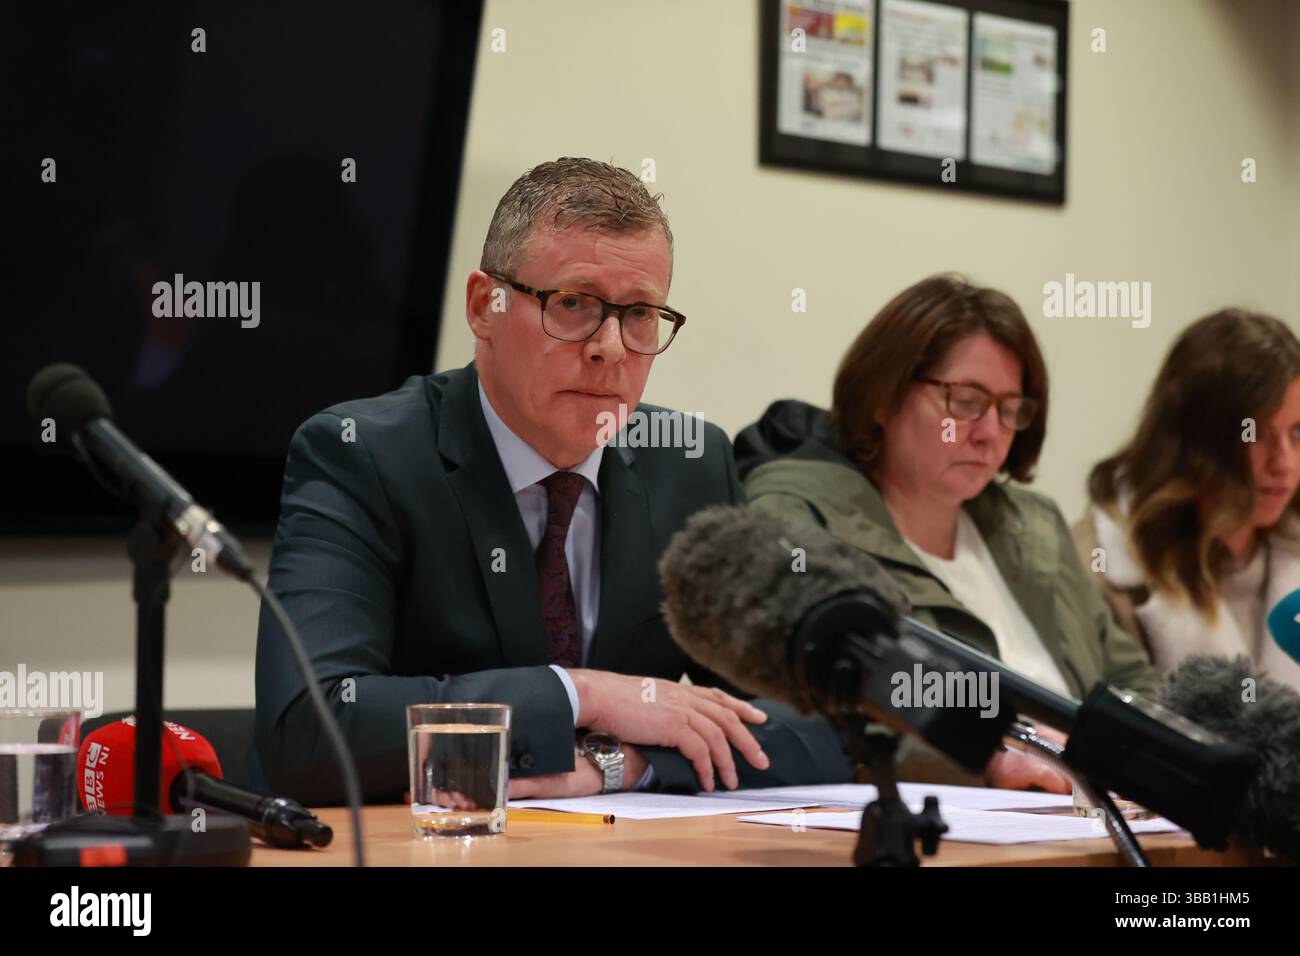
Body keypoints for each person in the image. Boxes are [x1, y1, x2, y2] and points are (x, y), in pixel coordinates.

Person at [254, 158, 854, 804]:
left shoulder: (690, 463)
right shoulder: (362, 457)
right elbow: (309, 732)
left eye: (640, 315)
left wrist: (620, 762)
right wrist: (586, 694)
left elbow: (819, 725)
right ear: (485, 306)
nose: (613, 349)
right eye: (574, 304)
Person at [736, 273, 1162, 791]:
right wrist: (987, 761)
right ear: (882, 396)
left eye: (1011, 410)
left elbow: (1133, 684)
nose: (990, 433)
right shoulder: (798, 517)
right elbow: (817, 713)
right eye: (966, 401)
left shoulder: (1036, 523)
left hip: (1098, 808)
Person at [1075, 309, 1300, 690]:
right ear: (1194, 441)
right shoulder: (1096, 568)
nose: (1285, 462)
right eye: (1258, 434)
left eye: (1298, 432)